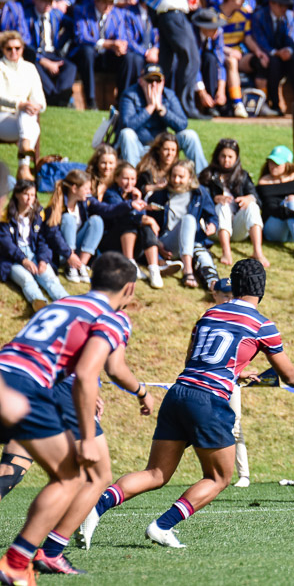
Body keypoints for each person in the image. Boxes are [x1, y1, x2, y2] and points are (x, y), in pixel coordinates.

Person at [82, 259, 294, 548]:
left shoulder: (210, 313)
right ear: (262, 287)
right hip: (208, 402)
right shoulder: (262, 325)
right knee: (220, 476)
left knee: (155, 473)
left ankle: (94, 508)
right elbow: (289, 375)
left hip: (179, 392)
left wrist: (235, 372)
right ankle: (162, 525)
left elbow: (195, 359)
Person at [0, 252, 138, 583]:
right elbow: (88, 374)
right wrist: (88, 438)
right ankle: (19, 562)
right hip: (25, 388)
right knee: (71, 476)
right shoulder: (111, 317)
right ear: (129, 290)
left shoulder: (58, 305)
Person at [115, 64, 208, 172]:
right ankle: (132, 178)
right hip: (138, 147)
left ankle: (203, 178)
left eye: (157, 81)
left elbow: (182, 124)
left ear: (163, 82)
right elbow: (127, 125)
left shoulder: (169, 95)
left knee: (190, 135)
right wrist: (149, 108)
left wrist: (161, 110)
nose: (154, 84)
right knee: (127, 133)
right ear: (141, 81)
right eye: (149, 80)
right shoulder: (130, 95)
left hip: (163, 147)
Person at [147, 160, 219, 289]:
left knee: (202, 254)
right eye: (173, 176)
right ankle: (188, 270)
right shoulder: (160, 195)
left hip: (191, 241)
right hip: (168, 241)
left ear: (190, 177)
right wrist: (158, 244)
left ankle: (213, 283)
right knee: (189, 219)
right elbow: (149, 224)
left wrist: (212, 225)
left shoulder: (199, 193)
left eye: (181, 177)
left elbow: (212, 215)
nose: (176, 180)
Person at [198, 138, 267, 268]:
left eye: (230, 157)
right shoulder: (207, 175)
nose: (226, 160)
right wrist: (214, 199)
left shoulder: (242, 175)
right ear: (217, 156)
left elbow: (258, 199)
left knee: (252, 205)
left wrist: (249, 198)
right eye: (223, 156)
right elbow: (198, 199)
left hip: (237, 227)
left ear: (236, 158)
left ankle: (258, 251)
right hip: (215, 228)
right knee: (223, 205)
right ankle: (226, 252)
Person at [0, 180, 67, 311]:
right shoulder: (5, 217)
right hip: (13, 258)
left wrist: (43, 259)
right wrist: (24, 260)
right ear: (17, 195)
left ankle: (67, 301)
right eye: (26, 194)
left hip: (34, 252)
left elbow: (43, 240)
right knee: (26, 279)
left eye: (33, 194)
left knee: (49, 277)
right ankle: (40, 304)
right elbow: (7, 245)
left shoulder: (38, 214)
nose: (30, 198)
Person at [256, 146, 294, 264]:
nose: (272, 166)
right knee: (292, 200)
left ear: (287, 164)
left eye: (277, 164)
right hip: (274, 229)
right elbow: (270, 208)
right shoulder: (264, 182)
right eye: (271, 162)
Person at [0, 31, 44, 182]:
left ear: (22, 49)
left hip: (23, 120)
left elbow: (40, 100)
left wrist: (35, 106)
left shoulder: (30, 68)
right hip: (3, 118)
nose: (14, 52)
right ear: (3, 49)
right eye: (9, 49)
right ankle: (24, 165)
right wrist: (19, 104)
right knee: (30, 120)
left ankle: (24, 166)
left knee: (29, 114)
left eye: (17, 48)